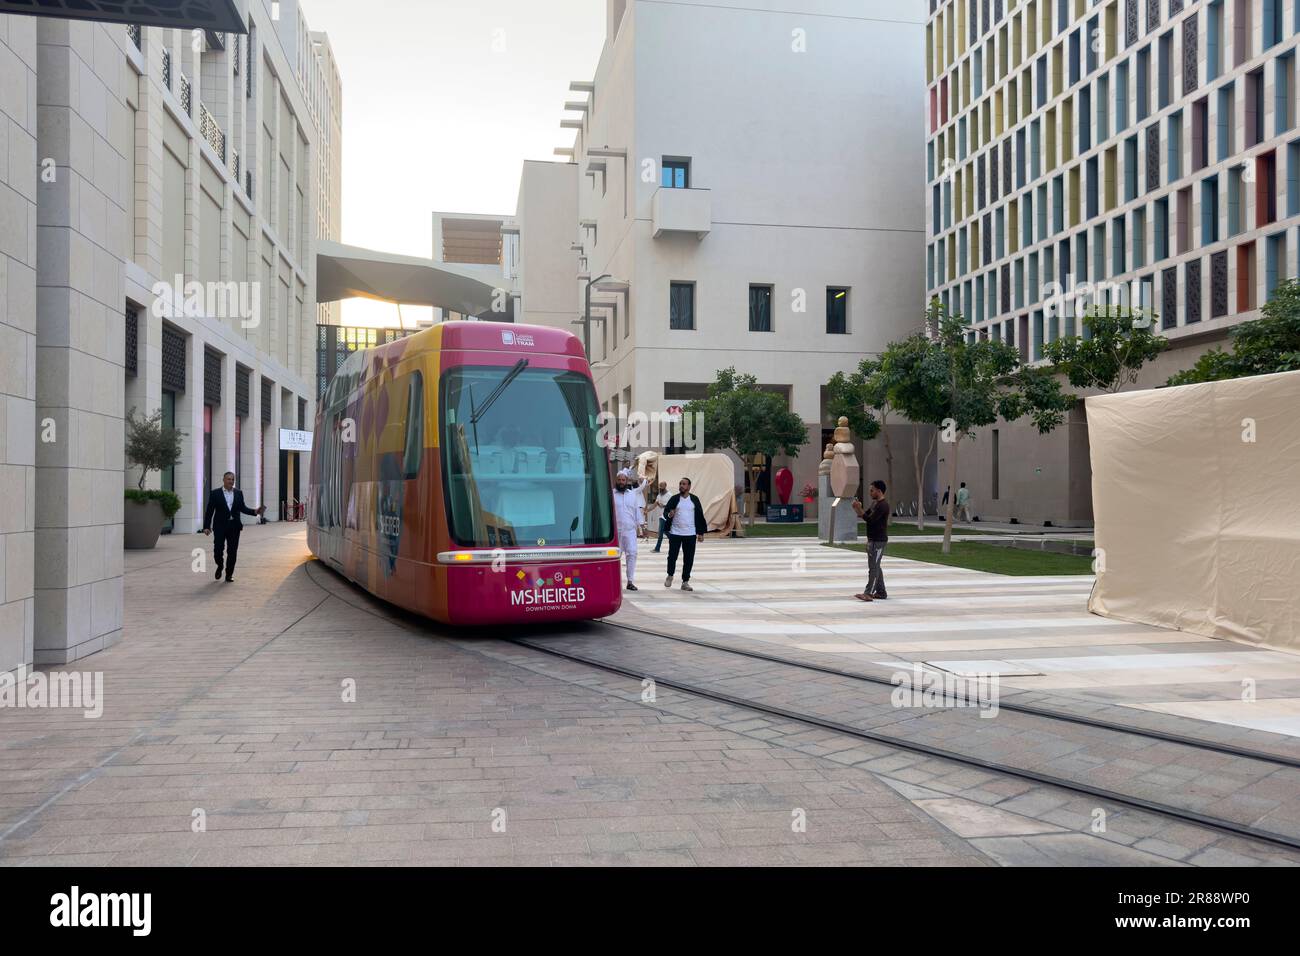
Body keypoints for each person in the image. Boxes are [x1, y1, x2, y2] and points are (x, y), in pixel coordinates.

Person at [203, 471, 265, 583]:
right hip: (220, 526)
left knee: (232, 551)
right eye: (229, 479)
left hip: (234, 526)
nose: (231, 481)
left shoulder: (238, 493)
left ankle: (229, 574)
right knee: (218, 550)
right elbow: (209, 511)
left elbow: (242, 508)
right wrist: (206, 526)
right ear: (223, 480)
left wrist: (254, 512)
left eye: (232, 479)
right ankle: (220, 565)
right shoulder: (215, 493)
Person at [663, 477, 707, 591]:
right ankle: (670, 575)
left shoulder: (694, 499)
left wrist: (701, 533)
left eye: (684, 484)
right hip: (675, 533)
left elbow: (700, 516)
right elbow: (666, 511)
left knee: (689, 559)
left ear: (689, 486)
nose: (681, 486)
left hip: (690, 534)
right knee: (672, 556)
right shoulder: (674, 499)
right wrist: (669, 514)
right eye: (680, 484)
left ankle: (685, 582)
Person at [851, 480, 890, 602]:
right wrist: (857, 508)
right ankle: (881, 592)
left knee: (873, 567)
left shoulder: (883, 505)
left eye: (872, 490)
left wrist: (859, 509)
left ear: (879, 491)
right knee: (876, 566)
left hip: (878, 540)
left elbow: (871, 520)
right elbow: (864, 515)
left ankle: (868, 593)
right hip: (872, 539)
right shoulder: (875, 504)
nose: (870, 492)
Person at [612, 471, 646, 590]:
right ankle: (614, 582)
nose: (621, 482)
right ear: (616, 481)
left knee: (632, 553)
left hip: (630, 531)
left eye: (623, 480)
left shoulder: (632, 495)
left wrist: (642, 526)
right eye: (619, 480)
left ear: (627, 481)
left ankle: (630, 581)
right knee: (615, 556)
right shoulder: (611, 494)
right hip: (615, 532)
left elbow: (636, 511)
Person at [647, 481, 670, 552]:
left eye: (662, 486)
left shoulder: (669, 495)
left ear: (665, 486)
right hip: (661, 516)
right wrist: (647, 510)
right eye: (659, 486)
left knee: (660, 532)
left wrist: (664, 506)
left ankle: (657, 548)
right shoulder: (659, 495)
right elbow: (655, 505)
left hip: (667, 516)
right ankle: (675, 541)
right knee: (665, 531)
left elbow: (672, 505)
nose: (660, 488)